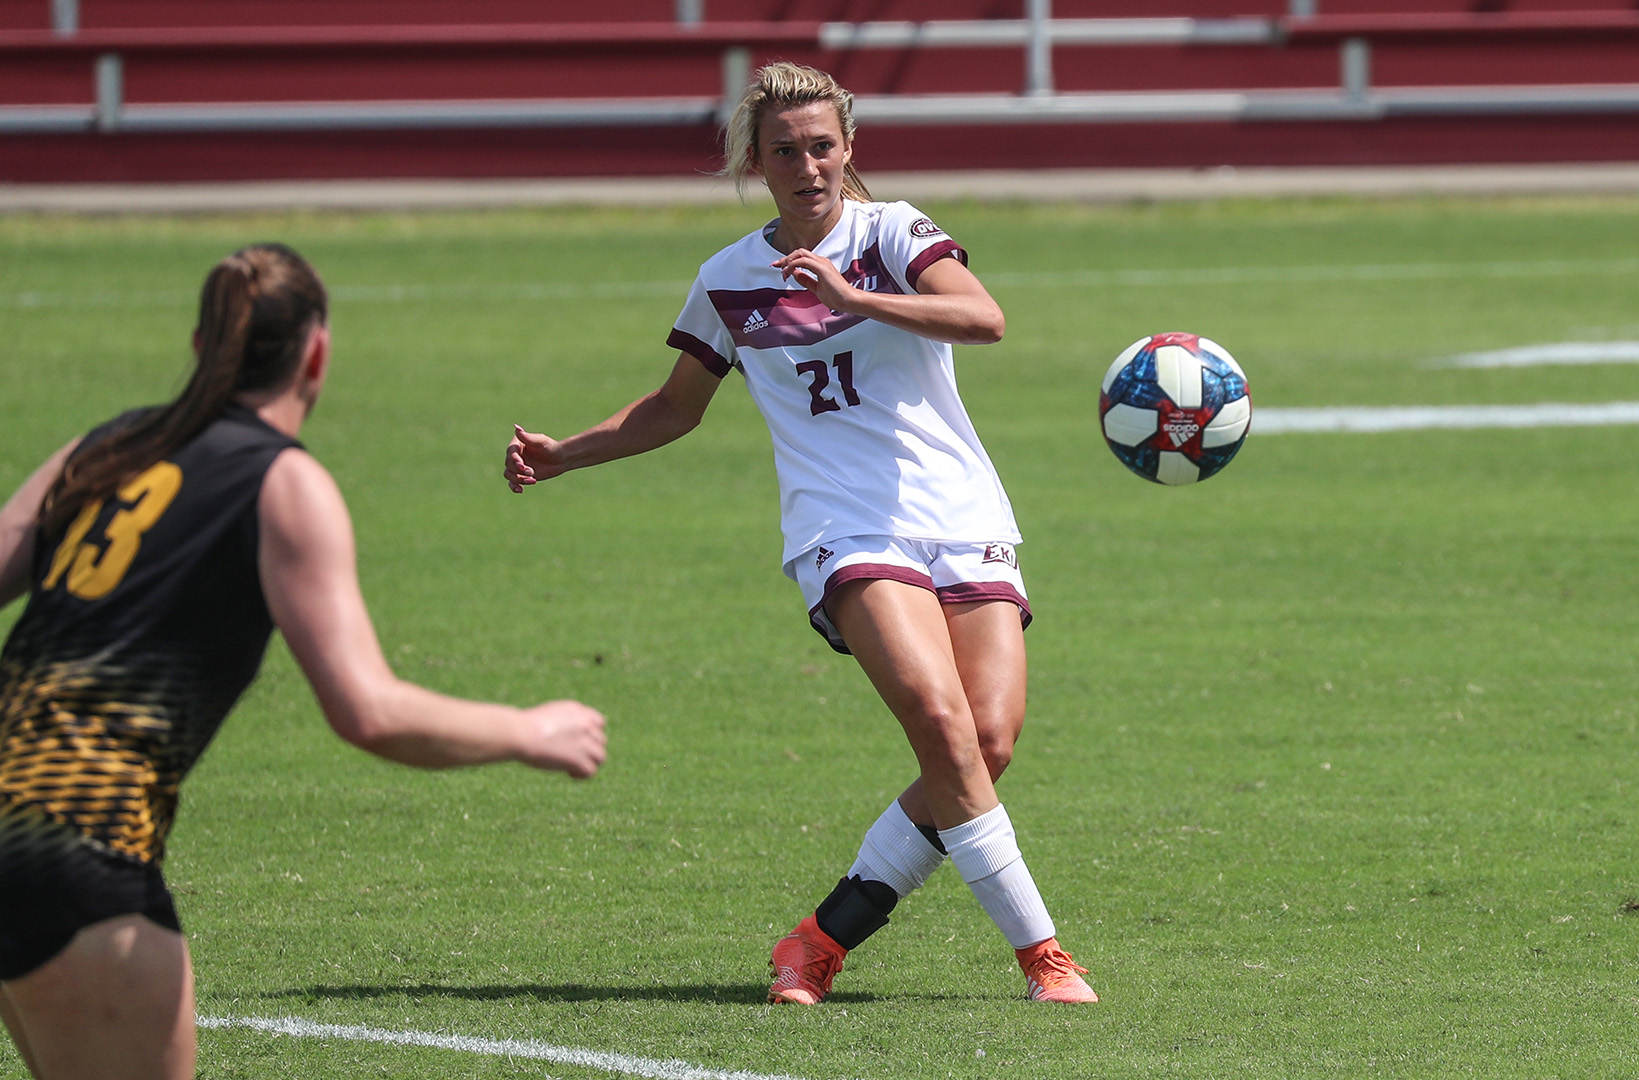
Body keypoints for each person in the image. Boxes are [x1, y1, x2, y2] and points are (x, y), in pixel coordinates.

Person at [504, 61, 1095, 1006]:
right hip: (845, 526)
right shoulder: (728, 279)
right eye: (785, 151)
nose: (808, 165)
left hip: (959, 509)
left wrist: (855, 297)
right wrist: (565, 454)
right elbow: (672, 408)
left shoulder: (894, 231)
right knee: (940, 725)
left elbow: (982, 319)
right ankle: (1045, 956)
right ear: (756, 160)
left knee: (986, 741)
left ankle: (819, 940)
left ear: (848, 149)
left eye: (822, 146)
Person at [0, 243, 608, 1080]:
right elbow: (368, 711)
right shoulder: (283, 483)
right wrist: (527, 729)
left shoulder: (103, 446)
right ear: (316, 354)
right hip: (73, 842)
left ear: (199, 345)